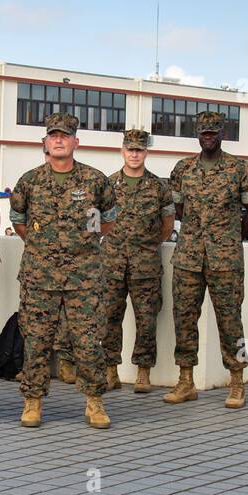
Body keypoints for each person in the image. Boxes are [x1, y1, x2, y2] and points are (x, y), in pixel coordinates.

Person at [8, 111, 117, 428]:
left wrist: (83, 240)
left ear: (75, 142)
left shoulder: (95, 180)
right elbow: (19, 223)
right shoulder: (29, 181)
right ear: (45, 142)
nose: (58, 140)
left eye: (65, 136)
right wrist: (46, 248)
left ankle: (94, 402)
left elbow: (108, 220)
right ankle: (32, 402)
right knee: (37, 342)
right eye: (53, 135)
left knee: (88, 342)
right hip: (39, 277)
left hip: (84, 278)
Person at [164, 111, 248, 409]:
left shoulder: (241, 169)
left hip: (226, 259)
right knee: (184, 319)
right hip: (189, 257)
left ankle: (237, 382)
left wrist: (229, 237)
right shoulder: (182, 169)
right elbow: (178, 211)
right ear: (197, 135)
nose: (208, 137)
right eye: (204, 133)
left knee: (232, 322)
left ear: (222, 134)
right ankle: (185, 380)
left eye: (213, 132)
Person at [104, 129, 175, 393]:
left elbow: (167, 225)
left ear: (146, 152)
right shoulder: (107, 185)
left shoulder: (159, 187)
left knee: (146, 319)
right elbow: (95, 221)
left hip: (145, 265)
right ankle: (110, 370)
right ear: (122, 151)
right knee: (109, 317)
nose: (134, 154)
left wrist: (149, 245)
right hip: (111, 263)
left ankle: (143, 372)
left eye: (139, 150)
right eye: (130, 149)